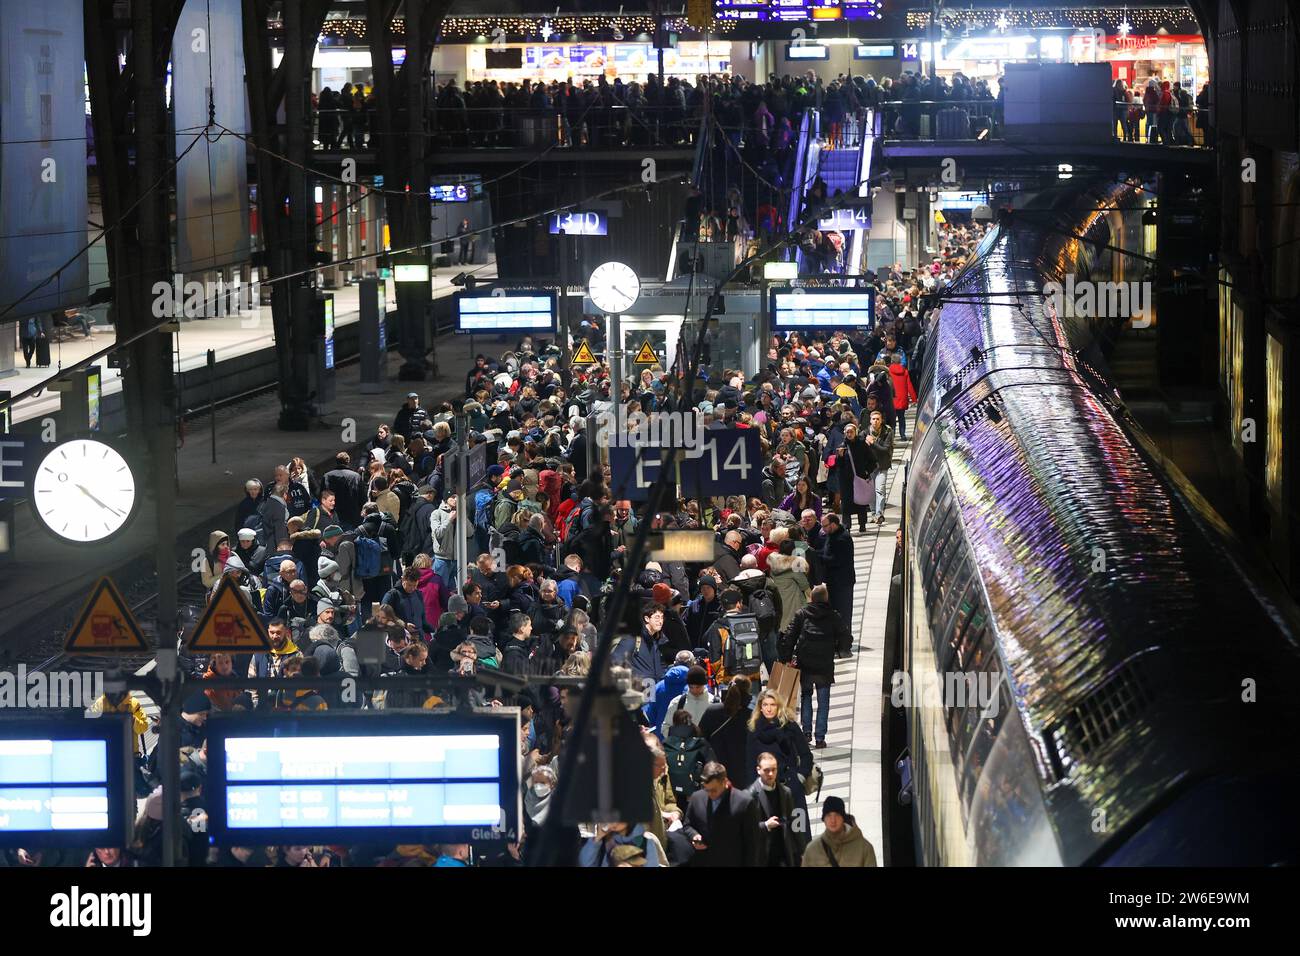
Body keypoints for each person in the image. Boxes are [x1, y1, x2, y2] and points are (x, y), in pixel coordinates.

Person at [779, 583, 851, 749]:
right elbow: (846, 636)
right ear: (826, 599)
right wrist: (840, 650)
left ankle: (806, 732)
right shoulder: (833, 615)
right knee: (823, 701)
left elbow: (789, 636)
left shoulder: (802, 614)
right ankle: (820, 737)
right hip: (825, 664)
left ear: (811, 597)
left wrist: (786, 657)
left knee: (806, 695)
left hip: (805, 663)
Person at [745, 688, 814, 830]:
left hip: (792, 787)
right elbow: (750, 763)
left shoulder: (789, 726)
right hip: (768, 790)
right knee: (775, 836)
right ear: (760, 708)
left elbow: (806, 754)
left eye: (772, 704)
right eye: (765, 705)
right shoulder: (754, 731)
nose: (769, 709)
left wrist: (800, 777)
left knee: (798, 831)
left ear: (779, 706)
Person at [681, 761, 761, 867]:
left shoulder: (744, 802)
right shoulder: (697, 798)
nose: (709, 794)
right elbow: (687, 825)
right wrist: (694, 836)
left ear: (724, 782)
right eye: (706, 789)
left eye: (713, 790)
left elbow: (752, 844)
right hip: (703, 861)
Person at [747, 751, 807, 866]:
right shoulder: (750, 795)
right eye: (766, 770)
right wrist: (765, 825)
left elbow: (795, 823)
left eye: (774, 769)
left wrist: (802, 851)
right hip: (762, 856)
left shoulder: (785, 792)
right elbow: (747, 829)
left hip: (784, 853)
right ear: (758, 770)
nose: (770, 774)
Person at [699, 675, 753, 789]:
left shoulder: (712, 711)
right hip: (743, 778)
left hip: (715, 773)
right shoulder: (752, 717)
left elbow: (700, 739)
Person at [801, 795, 877, 867]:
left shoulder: (864, 848)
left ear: (843, 817)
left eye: (837, 815)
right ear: (823, 819)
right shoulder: (812, 850)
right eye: (828, 815)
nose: (833, 820)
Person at [820, 513, 856, 648]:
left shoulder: (842, 538)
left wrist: (818, 558)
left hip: (842, 582)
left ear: (833, 524)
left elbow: (836, 560)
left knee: (843, 613)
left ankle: (844, 642)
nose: (823, 529)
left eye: (825, 526)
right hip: (834, 581)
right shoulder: (832, 535)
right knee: (836, 612)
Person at [835, 421, 873, 532]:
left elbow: (872, 460)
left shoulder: (862, 444)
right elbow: (838, 466)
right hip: (846, 480)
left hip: (860, 478)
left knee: (861, 501)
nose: (849, 434)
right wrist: (840, 457)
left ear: (855, 432)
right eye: (847, 432)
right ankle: (847, 526)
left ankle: (862, 524)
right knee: (846, 503)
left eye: (851, 432)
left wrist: (866, 472)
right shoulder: (842, 447)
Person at [659, 664, 713, 736]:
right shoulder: (678, 702)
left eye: (698, 687)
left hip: (707, 746)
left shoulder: (714, 702)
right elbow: (665, 728)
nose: (694, 690)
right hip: (683, 746)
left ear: (704, 685)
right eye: (691, 687)